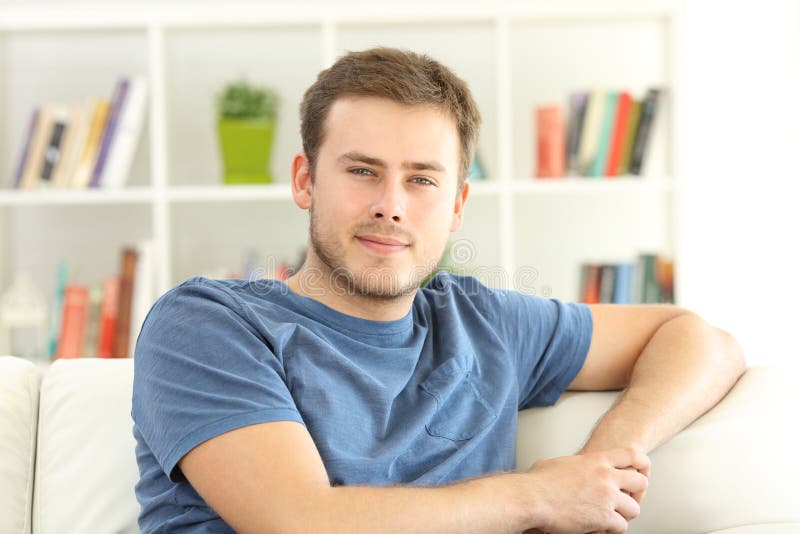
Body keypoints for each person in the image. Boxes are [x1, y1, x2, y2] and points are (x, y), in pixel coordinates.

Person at [131, 47, 745, 534]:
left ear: (456, 206)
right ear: (304, 180)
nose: (391, 207)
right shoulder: (206, 323)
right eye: (363, 171)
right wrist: (535, 496)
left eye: (421, 179)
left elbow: (699, 339)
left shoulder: (484, 324)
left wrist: (606, 461)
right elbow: (301, 521)